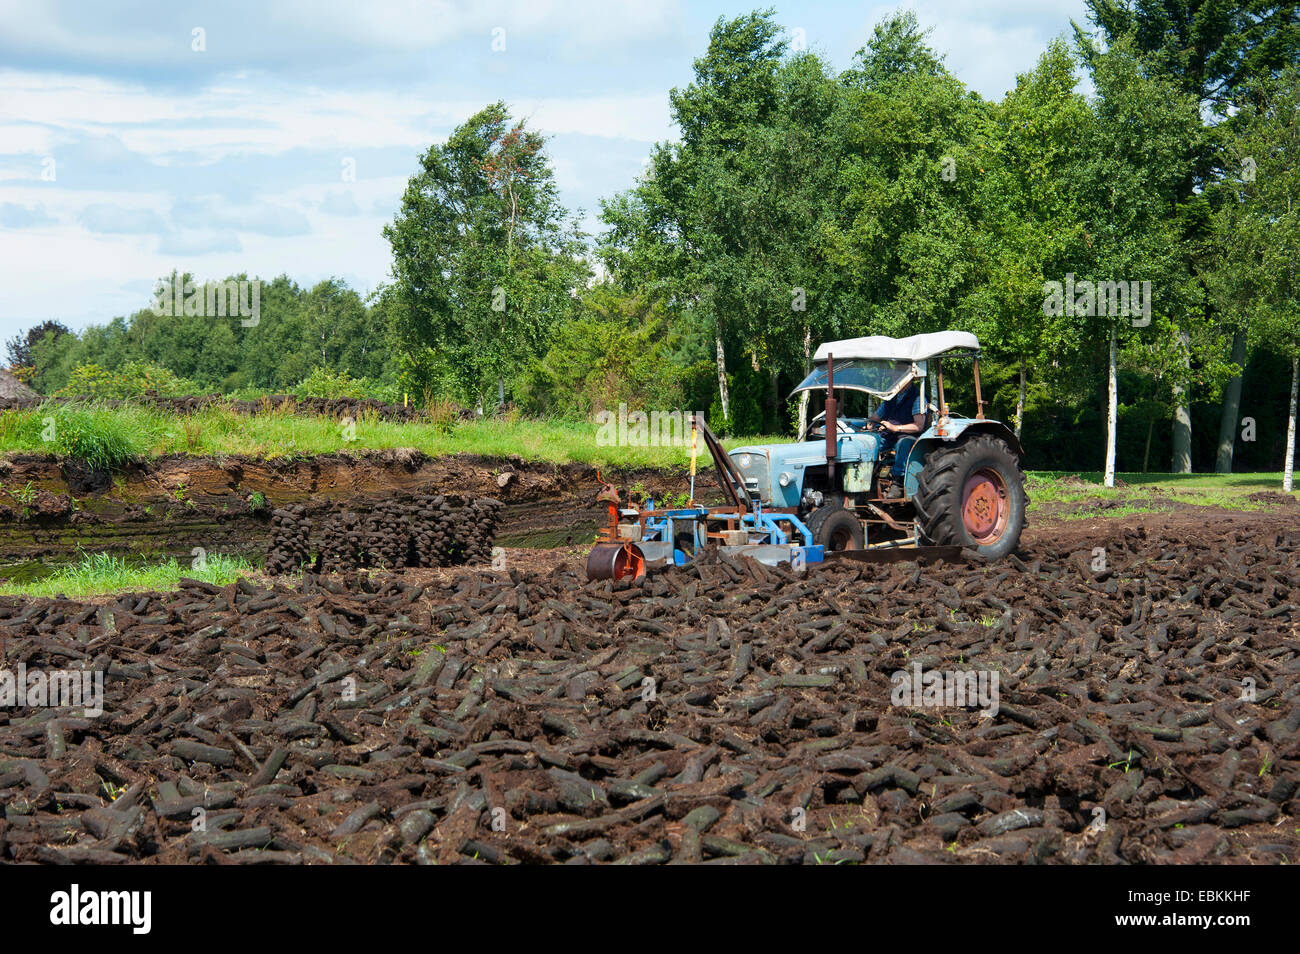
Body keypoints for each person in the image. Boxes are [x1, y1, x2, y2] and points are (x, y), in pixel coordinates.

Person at [868, 377, 926, 496]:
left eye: (901, 376)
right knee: (870, 443)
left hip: (909, 435)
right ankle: (870, 478)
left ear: (909, 379)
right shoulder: (891, 397)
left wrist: (896, 428)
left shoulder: (917, 397)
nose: (896, 379)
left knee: (903, 444)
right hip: (889, 434)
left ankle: (897, 482)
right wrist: (871, 424)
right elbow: (875, 417)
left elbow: (919, 426)